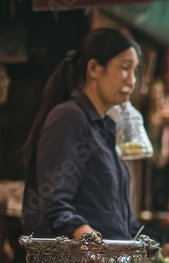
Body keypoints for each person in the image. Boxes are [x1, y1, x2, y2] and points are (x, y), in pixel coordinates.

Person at [22, 28, 143, 241]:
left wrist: (157, 251)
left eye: (135, 71)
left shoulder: (103, 127)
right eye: (125, 68)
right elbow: (54, 205)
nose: (132, 80)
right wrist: (83, 235)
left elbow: (119, 221)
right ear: (94, 68)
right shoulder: (69, 118)